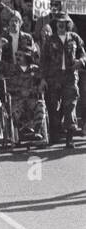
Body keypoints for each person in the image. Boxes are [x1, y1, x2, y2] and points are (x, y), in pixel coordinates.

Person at [39, 12, 83, 149]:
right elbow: (43, 61)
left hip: (70, 77)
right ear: (56, 24)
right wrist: (42, 79)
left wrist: (81, 61)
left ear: (68, 24)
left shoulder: (74, 38)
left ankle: (69, 138)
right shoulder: (50, 40)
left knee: (70, 106)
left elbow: (83, 53)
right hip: (54, 78)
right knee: (53, 107)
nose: (61, 25)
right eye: (59, 22)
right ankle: (54, 136)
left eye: (64, 22)